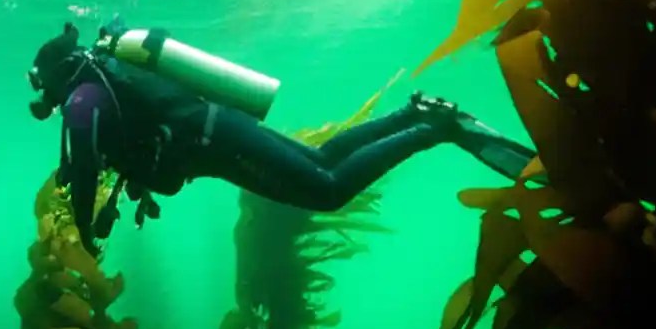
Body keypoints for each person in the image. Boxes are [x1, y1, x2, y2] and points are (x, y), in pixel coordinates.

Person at [27, 19, 532, 257]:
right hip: (215, 138)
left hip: (216, 139)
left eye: (43, 86)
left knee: (327, 191)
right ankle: (414, 113)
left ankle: (435, 130)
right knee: (323, 158)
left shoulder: (82, 101)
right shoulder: (97, 89)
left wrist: (87, 233)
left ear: (55, 76)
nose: (45, 99)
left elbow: (90, 167)